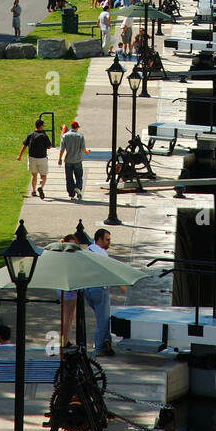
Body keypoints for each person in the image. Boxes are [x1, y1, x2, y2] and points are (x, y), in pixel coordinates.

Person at [84, 228, 125, 356]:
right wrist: (121, 285)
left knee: (103, 317)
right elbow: (110, 271)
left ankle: (107, 342)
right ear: (99, 239)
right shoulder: (102, 253)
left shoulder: (88, 250)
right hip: (100, 290)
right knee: (103, 320)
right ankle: (100, 347)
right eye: (107, 240)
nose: (109, 243)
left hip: (88, 290)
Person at [17, 118, 52, 199]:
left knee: (34, 175)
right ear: (41, 126)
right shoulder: (43, 135)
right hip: (42, 158)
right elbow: (49, 146)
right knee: (43, 175)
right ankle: (41, 187)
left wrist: (20, 155)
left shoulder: (30, 135)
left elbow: (24, 145)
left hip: (32, 158)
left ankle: (33, 191)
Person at [58, 120, 88, 201]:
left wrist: (60, 158)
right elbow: (83, 149)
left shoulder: (65, 136)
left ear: (71, 127)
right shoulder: (80, 136)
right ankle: (78, 187)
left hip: (68, 160)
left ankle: (71, 193)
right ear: (77, 127)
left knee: (69, 178)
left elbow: (62, 149)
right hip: (77, 160)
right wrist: (87, 152)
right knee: (79, 176)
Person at [58, 235, 79, 347]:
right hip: (67, 289)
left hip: (66, 288)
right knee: (68, 316)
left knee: (69, 316)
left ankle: (65, 340)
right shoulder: (66, 257)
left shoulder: (63, 256)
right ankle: (64, 342)